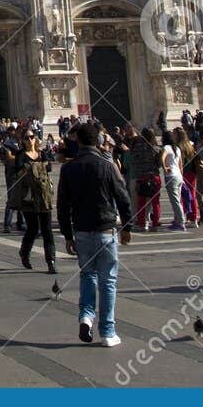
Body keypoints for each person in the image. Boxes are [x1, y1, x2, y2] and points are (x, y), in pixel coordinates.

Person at [56, 121, 132, 346]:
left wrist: (67, 235)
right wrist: (127, 227)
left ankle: (86, 318)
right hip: (105, 229)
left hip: (81, 231)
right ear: (98, 141)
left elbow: (62, 206)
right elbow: (123, 198)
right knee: (108, 281)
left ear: (78, 141)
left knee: (87, 275)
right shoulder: (107, 165)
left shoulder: (68, 168)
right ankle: (108, 332)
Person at [10, 129, 57, 273]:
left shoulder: (42, 153)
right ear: (23, 140)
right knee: (33, 228)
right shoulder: (21, 155)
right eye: (26, 138)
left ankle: (51, 261)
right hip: (28, 196)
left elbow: (49, 167)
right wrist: (38, 167)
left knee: (47, 229)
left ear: (35, 139)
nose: (30, 140)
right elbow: (19, 170)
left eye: (32, 137)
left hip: (43, 195)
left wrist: (33, 167)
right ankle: (24, 252)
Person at [128, 127, 162, 232]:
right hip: (154, 176)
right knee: (155, 202)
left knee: (141, 202)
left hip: (142, 176)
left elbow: (133, 161)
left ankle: (142, 224)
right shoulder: (156, 148)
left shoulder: (137, 147)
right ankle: (155, 223)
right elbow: (159, 164)